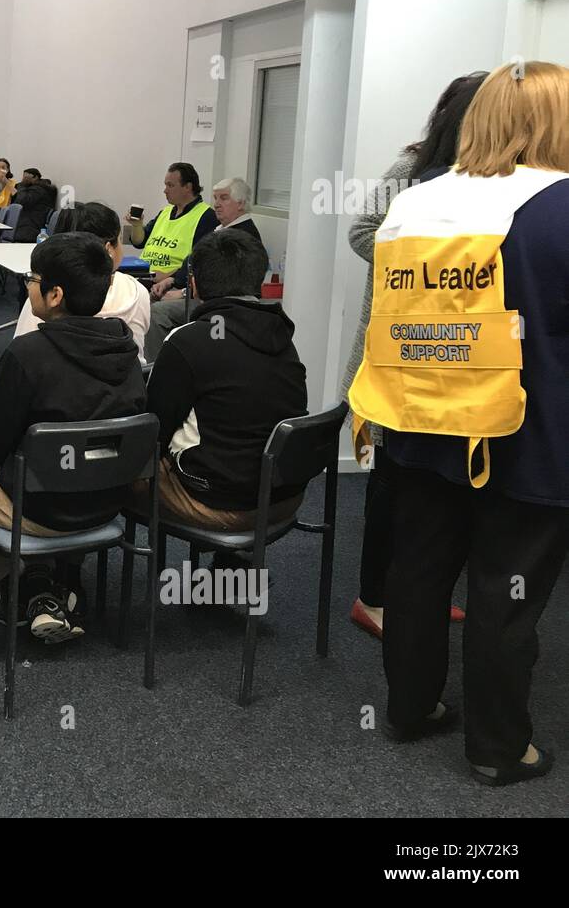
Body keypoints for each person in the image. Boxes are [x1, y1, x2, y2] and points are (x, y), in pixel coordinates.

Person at [350, 62, 569, 786]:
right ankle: (499, 748)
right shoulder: (560, 206)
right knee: (505, 590)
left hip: (416, 425)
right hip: (524, 438)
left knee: (417, 572)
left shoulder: (414, 203)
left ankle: (410, 708)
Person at [342, 74, 485, 641]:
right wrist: (420, 253)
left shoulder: (487, 182)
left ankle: (420, 596)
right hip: (392, 343)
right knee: (388, 482)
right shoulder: (410, 169)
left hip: (448, 354)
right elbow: (360, 233)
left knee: (439, 494)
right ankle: (372, 598)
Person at [0, 232, 146, 642]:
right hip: (106, 502)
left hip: (39, 509)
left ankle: (23, 583)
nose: (27, 284)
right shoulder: (125, 348)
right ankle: (52, 581)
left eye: (32, 278)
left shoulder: (27, 353)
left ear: (55, 295)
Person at [137, 230, 307, 537]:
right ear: (259, 282)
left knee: (119, 470)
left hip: (217, 502)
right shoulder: (284, 336)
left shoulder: (187, 340)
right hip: (284, 496)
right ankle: (233, 564)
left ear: (194, 284)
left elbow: (153, 429)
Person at [142, 177, 263, 363]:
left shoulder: (240, 238)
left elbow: (220, 285)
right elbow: (195, 262)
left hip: (219, 304)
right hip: (198, 294)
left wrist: (183, 293)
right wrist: (171, 280)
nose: (217, 204)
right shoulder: (222, 230)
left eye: (224, 198)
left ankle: (158, 369)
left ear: (241, 203)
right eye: (215, 198)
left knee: (157, 312)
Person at [12, 202, 150, 360]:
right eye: (119, 239)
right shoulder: (137, 291)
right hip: (128, 380)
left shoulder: (48, 294)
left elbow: (23, 355)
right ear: (108, 249)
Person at [124, 162, 218, 285]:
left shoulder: (206, 216)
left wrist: (169, 277)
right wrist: (136, 225)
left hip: (170, 282)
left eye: (170, 185)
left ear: (187, 187)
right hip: (142, 275)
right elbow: (139, 242)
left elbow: (198, 261)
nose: (165, 190)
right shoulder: (165, 212)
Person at [10, 168, 57, 242]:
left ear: (36, 177)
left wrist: (22, 185)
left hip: (32, 226)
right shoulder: (34, 189)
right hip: (30, 222)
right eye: (23, 177)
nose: (23, 179)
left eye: (26, 178)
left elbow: (23, 200)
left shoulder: (39, 190)